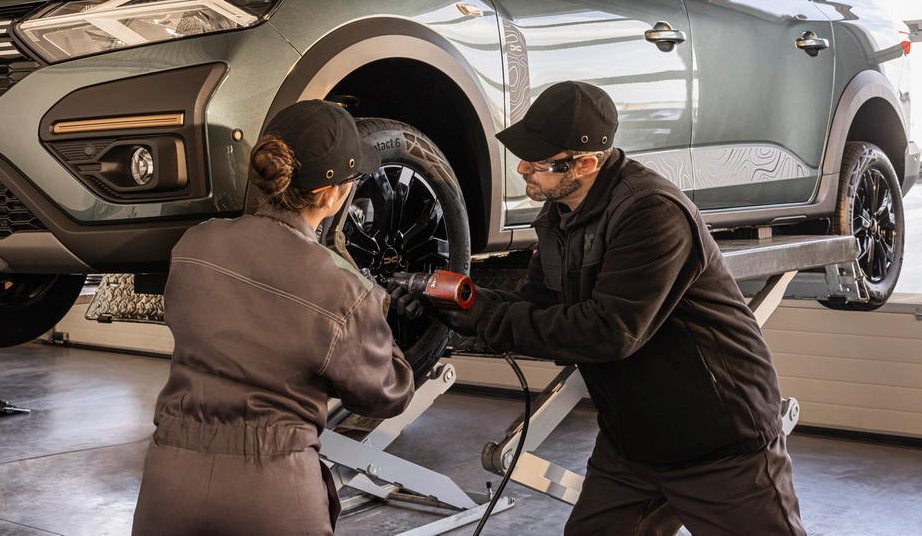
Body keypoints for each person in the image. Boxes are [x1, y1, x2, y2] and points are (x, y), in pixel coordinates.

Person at [397, 81, 806, 535]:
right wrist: (452, 307)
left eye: (538, 162)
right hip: (633, 441)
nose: (523, 168)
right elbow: (535, 309)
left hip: (717, 440)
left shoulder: (651, 212)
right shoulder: (559, 215)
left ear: (587, 163)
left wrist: (487, 317)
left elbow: (609, 333)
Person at [132, 99, 414, 535]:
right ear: (333, 192)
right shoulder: (343, 289)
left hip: (169, 478)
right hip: (271, 487)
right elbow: (384, 396)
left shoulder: (194, 245)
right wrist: (380, 321)